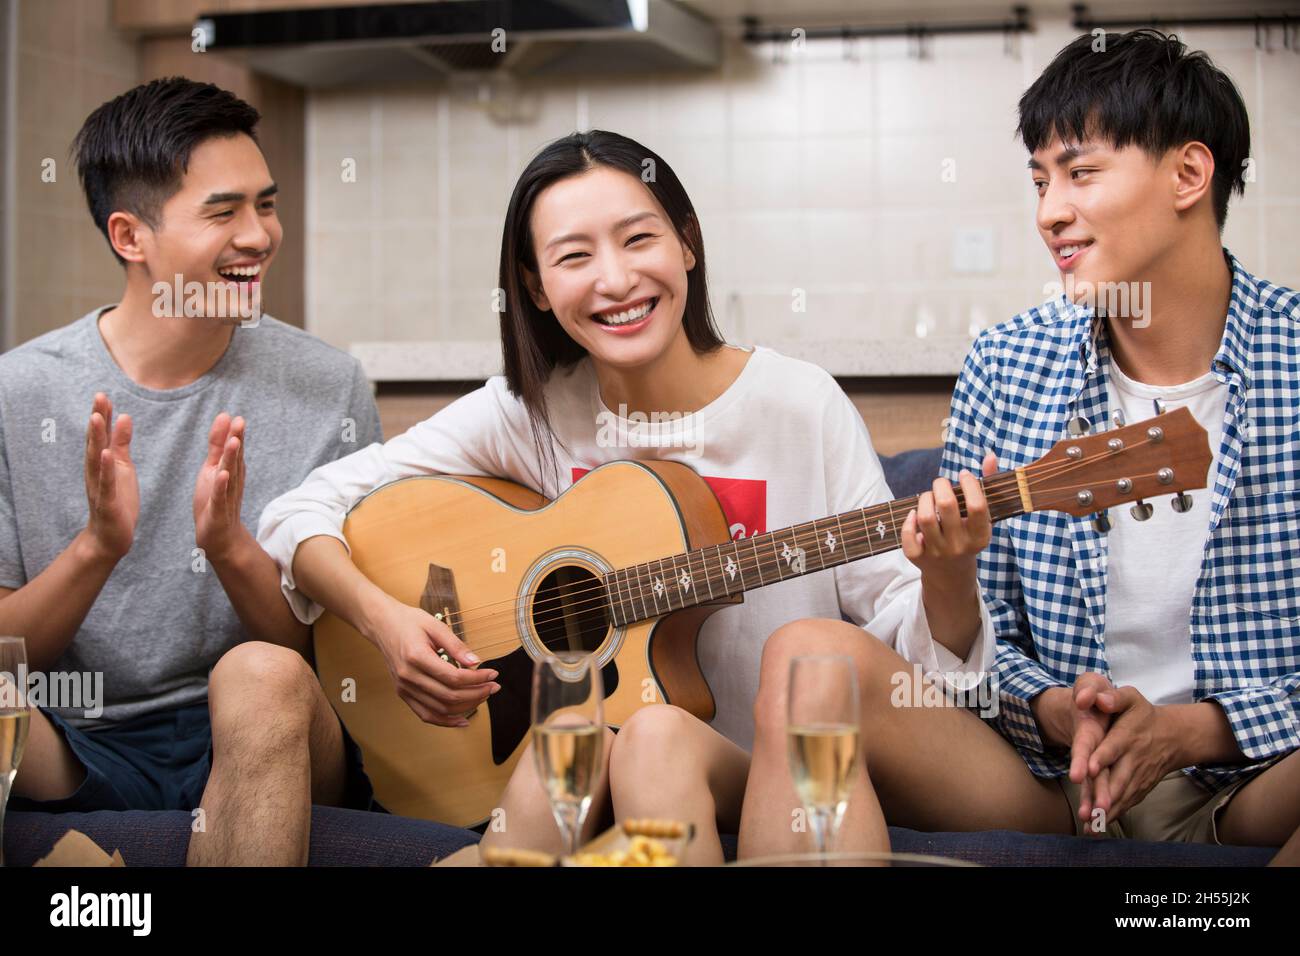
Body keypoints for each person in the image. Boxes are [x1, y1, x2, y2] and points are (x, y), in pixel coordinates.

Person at [257, 129, 997, 865]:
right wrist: (387, 624)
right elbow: (296, 513)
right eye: (575, 257)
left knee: (791, 669)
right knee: (627, 737)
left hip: (795, 749)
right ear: (537, 289)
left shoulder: (799, 405)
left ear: (687, 245)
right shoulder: (532, 414)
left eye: (638, 239)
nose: (614, 280)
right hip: (669, 758)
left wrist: (948, 573)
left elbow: (930, 670)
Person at [790, 29, 1299, 861]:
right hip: (1053, 783)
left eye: (1080, 171)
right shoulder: (1007, 362)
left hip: (1255, 783)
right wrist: (1054, 702)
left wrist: (1191, 731)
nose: (1048, 212)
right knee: (811, 655)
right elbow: (975, 664)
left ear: (1189, 174)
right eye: (1039, 180)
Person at [0, 77, 395, 866]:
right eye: (224, 212)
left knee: (260, 675)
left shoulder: (330, 388)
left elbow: (331, 655)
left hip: (266, 728)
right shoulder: (21, 391)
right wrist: (97, 547)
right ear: (130, 236)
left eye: (267, 204)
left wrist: (230, 549)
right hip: (78, 740)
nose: (260, 234)